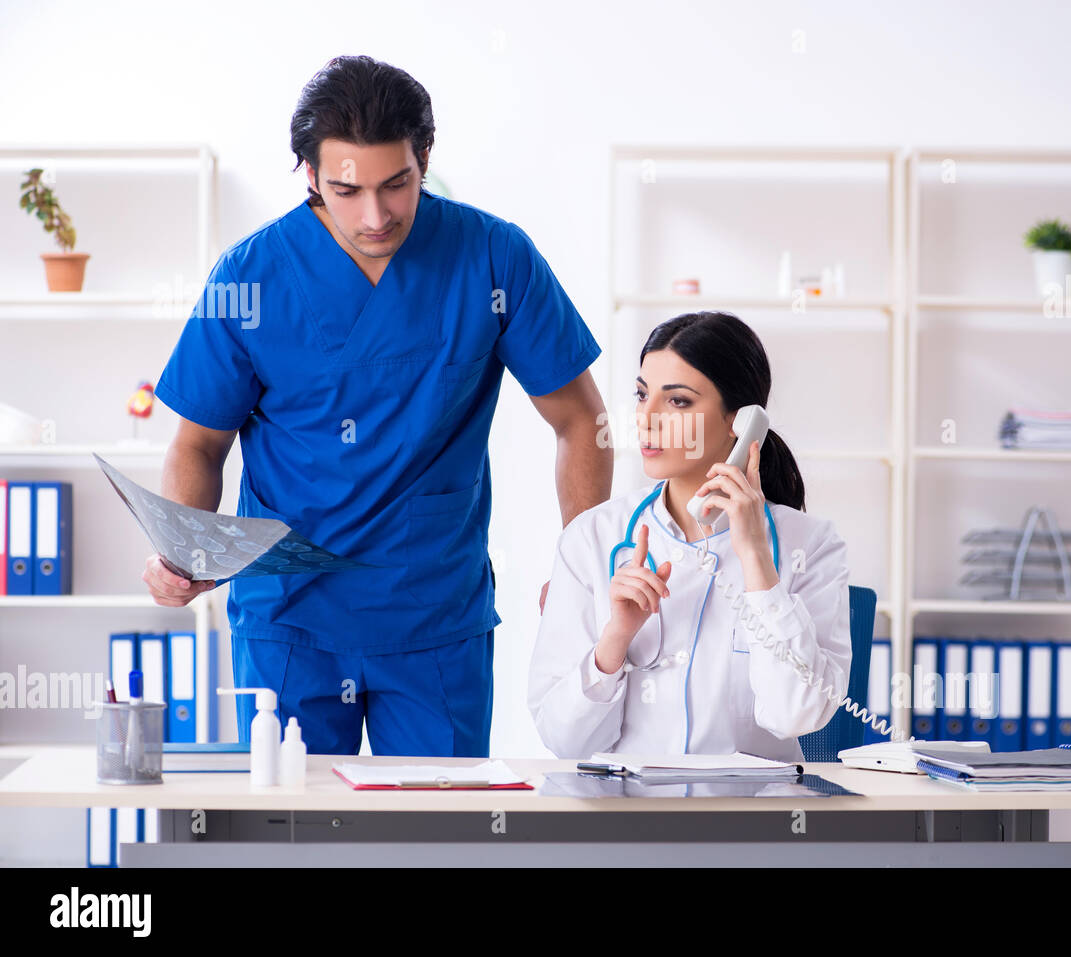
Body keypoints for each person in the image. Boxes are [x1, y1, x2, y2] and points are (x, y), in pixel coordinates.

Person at [143, 55, 611, 757]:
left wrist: (585, 566)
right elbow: (199, 444)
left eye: (397, 184)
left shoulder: (493, 258)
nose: (375, 215)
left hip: (434, 617)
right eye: (346, 189)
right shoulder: (250, 276)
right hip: (288, 619)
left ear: (425, 157)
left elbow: (580, 419)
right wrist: (183, 551)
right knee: (287, 840)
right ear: (309, 174)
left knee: (437, 845)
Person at [528, 311, 851, 761]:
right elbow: (563, 739)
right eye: (642, 396)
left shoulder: (810, 546)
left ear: (742, 424)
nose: (646, 419)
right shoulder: (592, 538)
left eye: (677, 402)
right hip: (626, 817)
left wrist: (757, 561)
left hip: (752, 819)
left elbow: (795, 715)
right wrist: (615, 640)